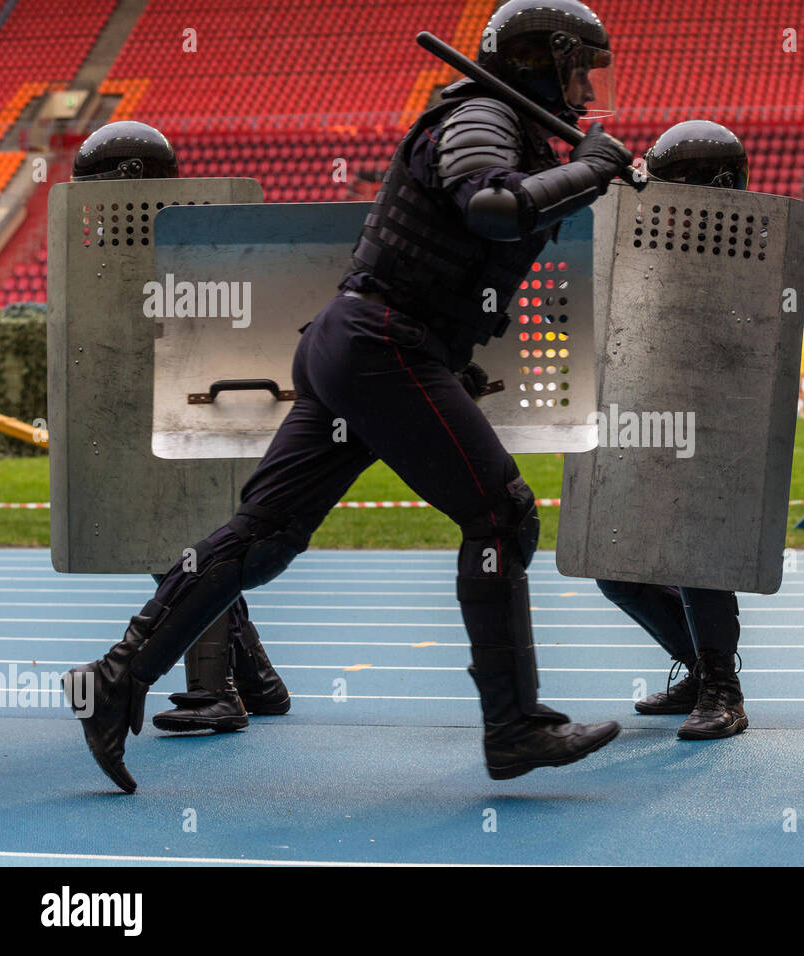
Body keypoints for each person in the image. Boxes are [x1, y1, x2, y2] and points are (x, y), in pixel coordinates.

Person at [63, 0, 636, 791]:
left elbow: (469, 239)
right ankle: (513, 728)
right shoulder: (482, 117)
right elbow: (493, 209)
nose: (584, 87)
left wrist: (447, 362)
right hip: (378, 348)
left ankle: (115, 678)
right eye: (578, 66)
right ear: (545, 58)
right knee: (500, 513)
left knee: (264, 535)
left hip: (363, 347)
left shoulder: (500, 126)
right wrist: (596, 169)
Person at [71, 120, 291, 734]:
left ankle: (213, 694)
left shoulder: (183, 252)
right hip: (174, 418)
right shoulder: (144, 255)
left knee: (187, 543)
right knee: (176, 545)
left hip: (196, 417)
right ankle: (254, 681)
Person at [595, 119, 750, 740]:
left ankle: (723, 689)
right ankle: (696, 666)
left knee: (696, 558)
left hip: (717, 424)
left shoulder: (754, 247)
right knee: (613, 563)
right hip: (648, 419)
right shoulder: (645, 246)